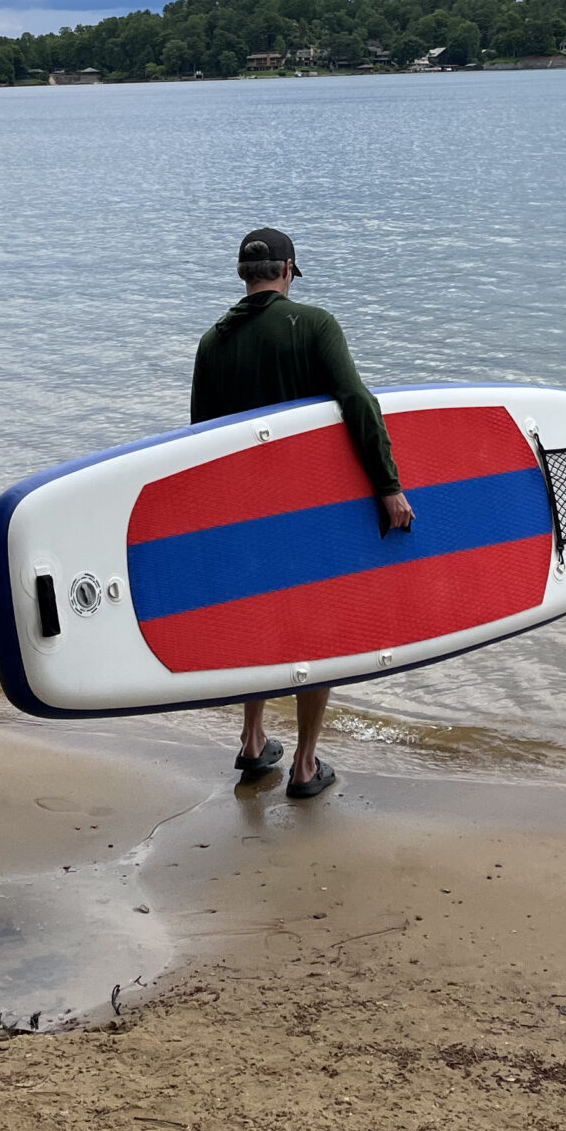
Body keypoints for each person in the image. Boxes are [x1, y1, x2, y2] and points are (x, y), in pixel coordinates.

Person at [189, 226, 414, 801]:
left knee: (262, 620)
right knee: (320, 629)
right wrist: (388, 484)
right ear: (288, 269)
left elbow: (199, 443)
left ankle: (251, 740)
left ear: (244, 273)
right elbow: (357, 402)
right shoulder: (313, 324)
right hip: (312, 511)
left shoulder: (214, 341)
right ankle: (306, 765)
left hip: (244, 514)